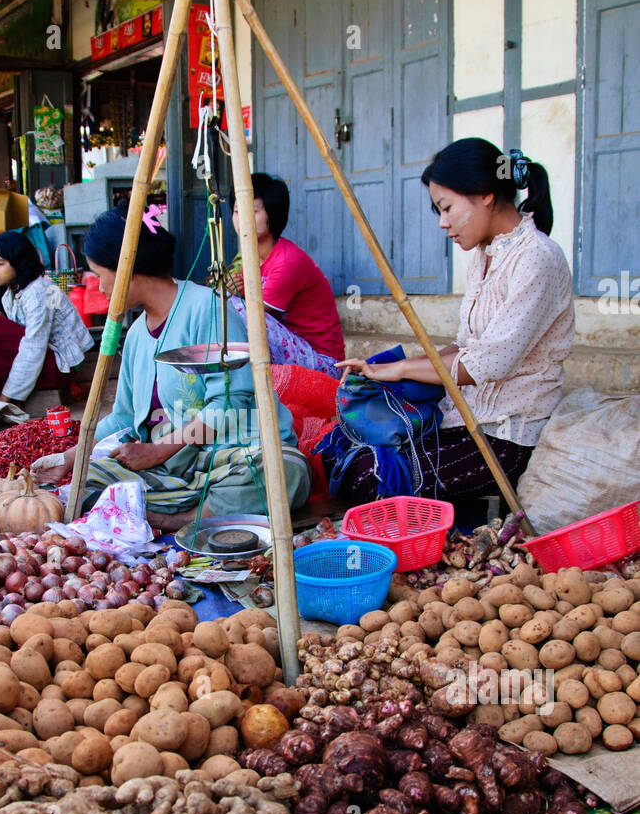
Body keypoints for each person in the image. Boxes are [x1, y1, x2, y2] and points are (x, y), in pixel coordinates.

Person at [319, 139, 575, 505]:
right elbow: (464, 345)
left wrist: (402, 369)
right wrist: (386, 369)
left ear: (485, 195)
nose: (442, 222)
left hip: (505, 436)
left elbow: (487, 363)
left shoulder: (537, 258)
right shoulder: (484, 255)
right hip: (462, 420)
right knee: (341, 449)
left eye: (447, 208)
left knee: (367, 477)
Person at [43, 205, 311, 530]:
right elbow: (123, 417)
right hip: (173, 469)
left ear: (128, 267)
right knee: (86, 484)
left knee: (285, 469)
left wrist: (157, 451)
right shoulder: (137, 336)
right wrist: (69, 459)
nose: (100, 288)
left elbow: (229, 403)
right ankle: (191, 514)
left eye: (101, 275)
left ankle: (175, 519)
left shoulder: (207, 308)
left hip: (231, 453)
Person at [0, 231, 93, 406]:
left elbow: (33, 348)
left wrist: (6, 398)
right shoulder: (10, 294)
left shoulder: (39, 291)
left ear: (19, 264)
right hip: (43, 364)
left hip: (59, 368)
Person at [228, 172, 345, 376]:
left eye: (252, 211)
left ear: (272, 215)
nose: (242, 219)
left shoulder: (287, 260)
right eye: (237, 211)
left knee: (235, 308)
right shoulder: (251, 258)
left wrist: (238, 293)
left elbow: (257, 315)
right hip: (293, 348)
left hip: (324, 362)